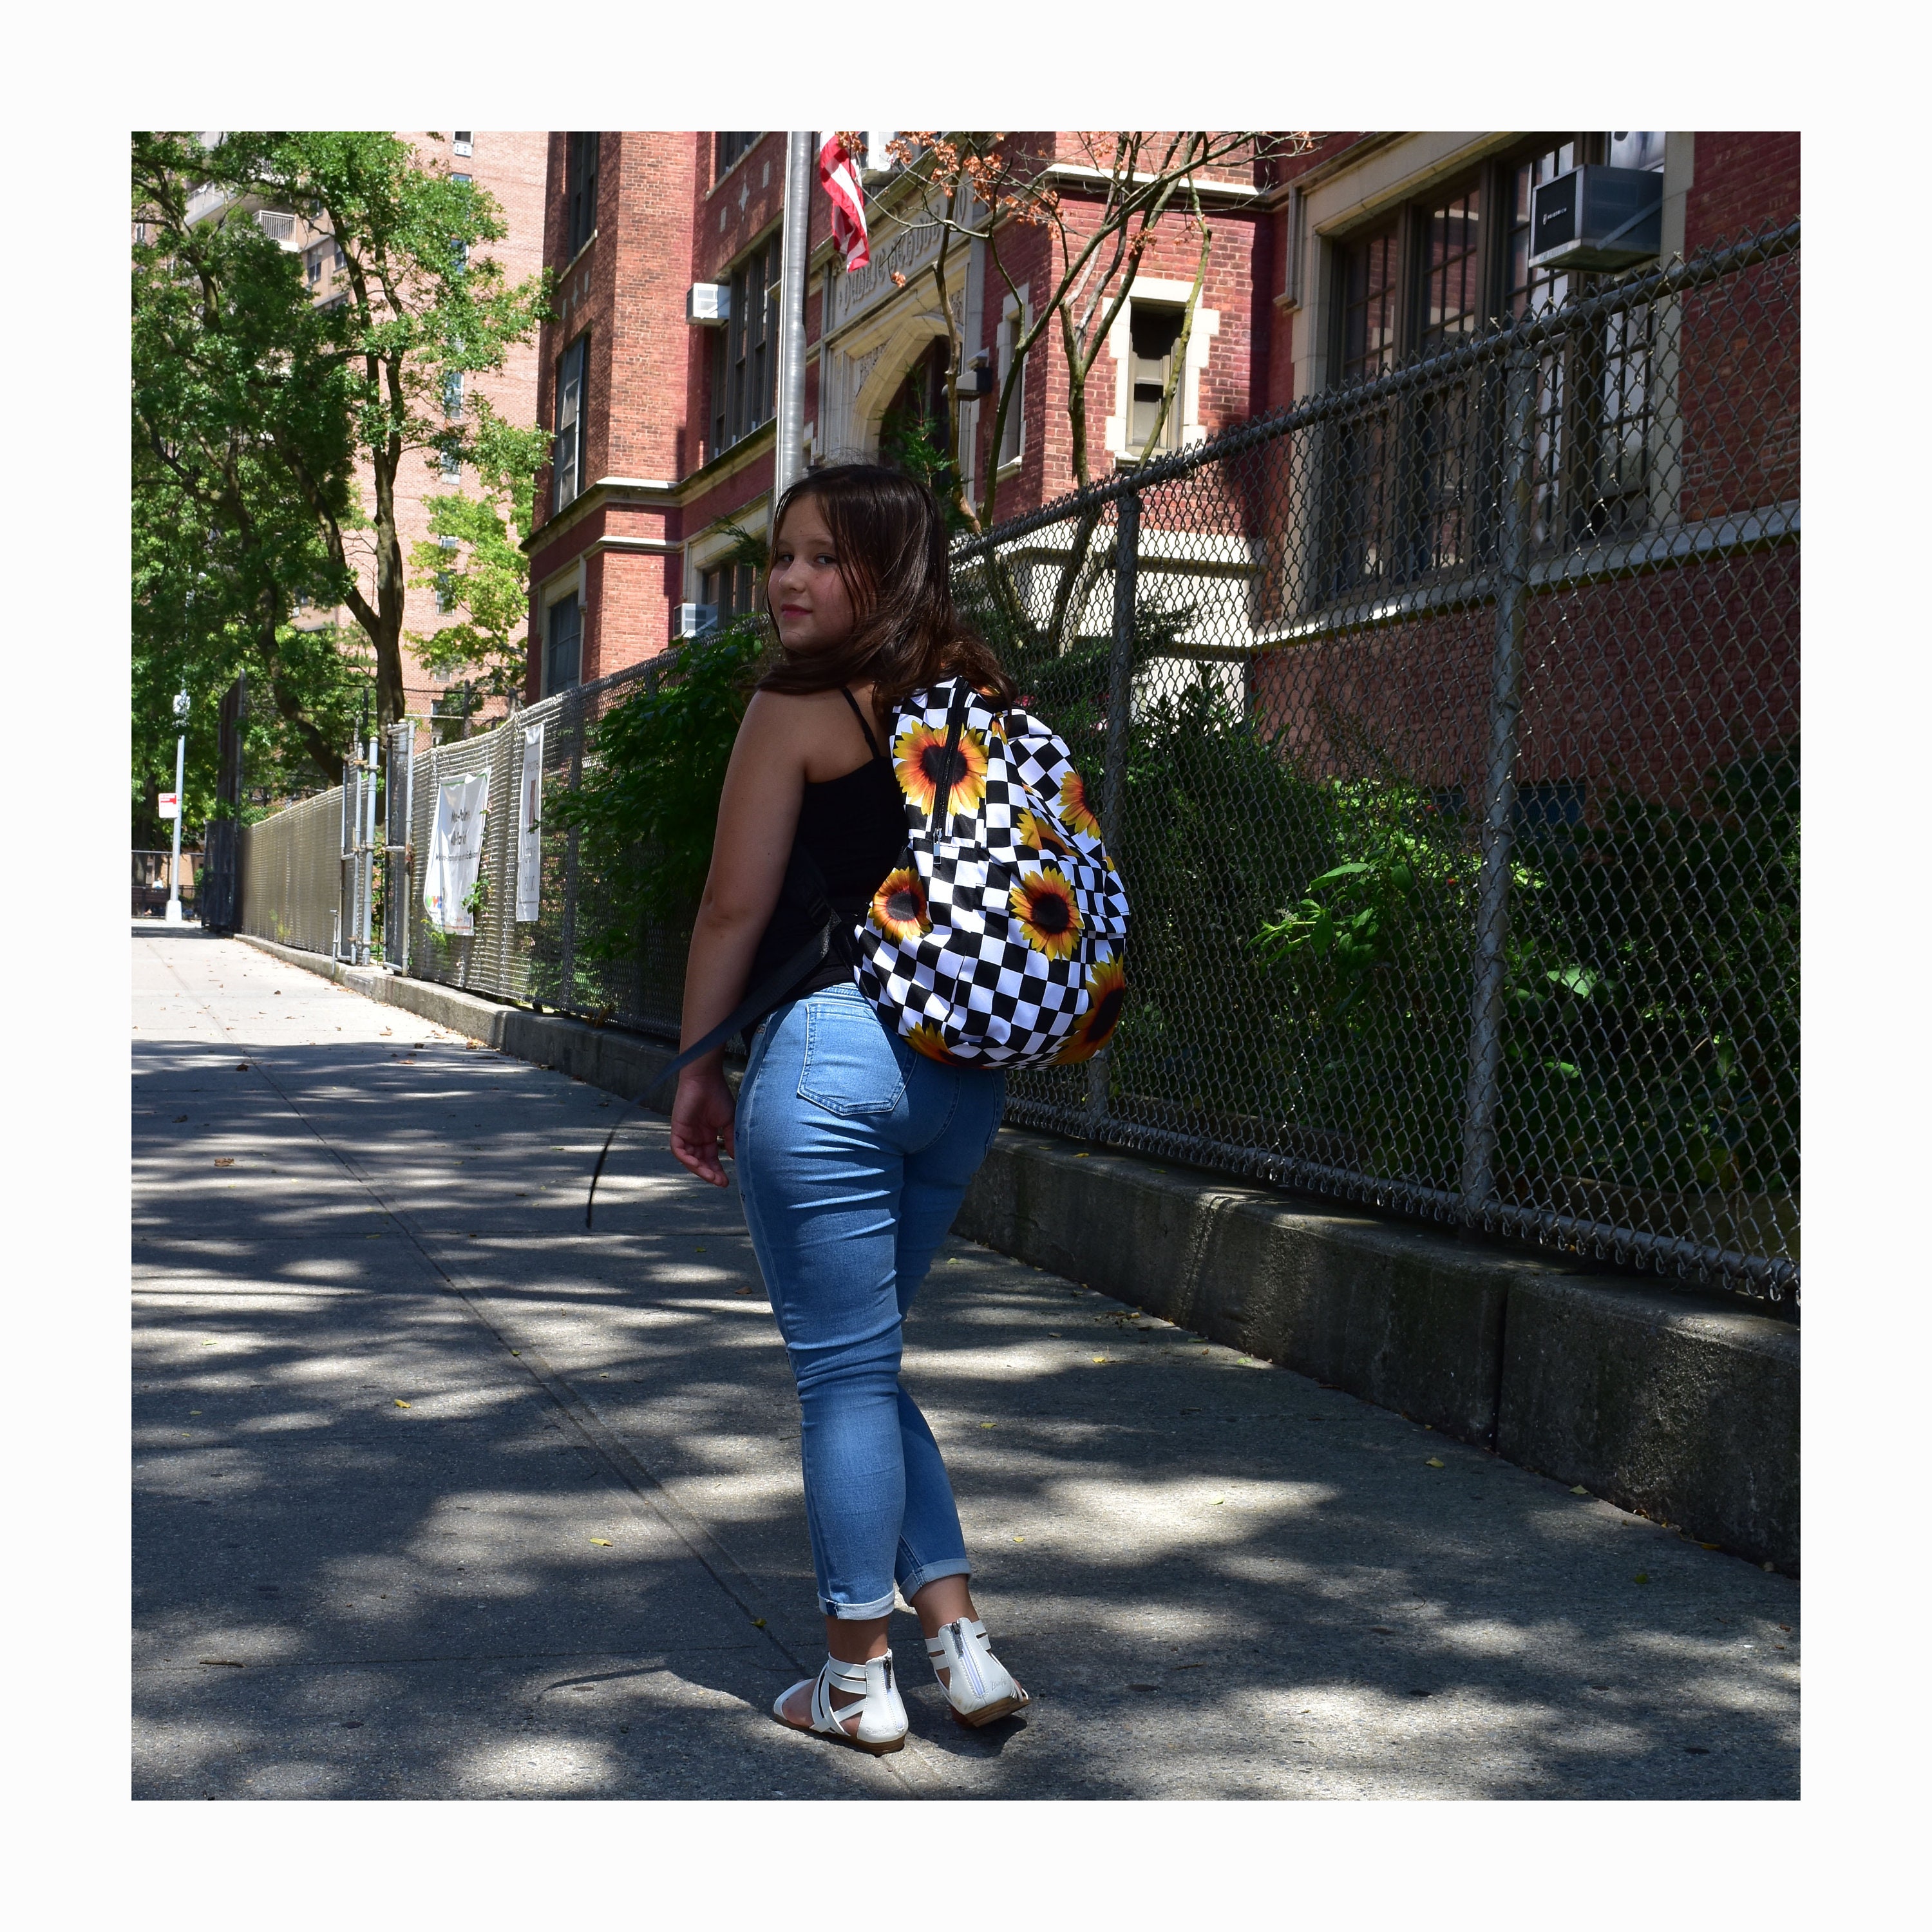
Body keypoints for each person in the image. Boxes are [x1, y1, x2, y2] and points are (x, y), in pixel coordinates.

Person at [669, 463, 1030, 1755]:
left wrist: (696, 1060)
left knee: (842, 1379)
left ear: (886, 566)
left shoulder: (799, 705)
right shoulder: (982, 701)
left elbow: (731, 904)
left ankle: (854, 1677)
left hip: (832, 1053)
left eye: (825, 558)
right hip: (963, 1077)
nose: (790, 581)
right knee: (866, 1365)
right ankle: (960, 1646)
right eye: (782, 558)